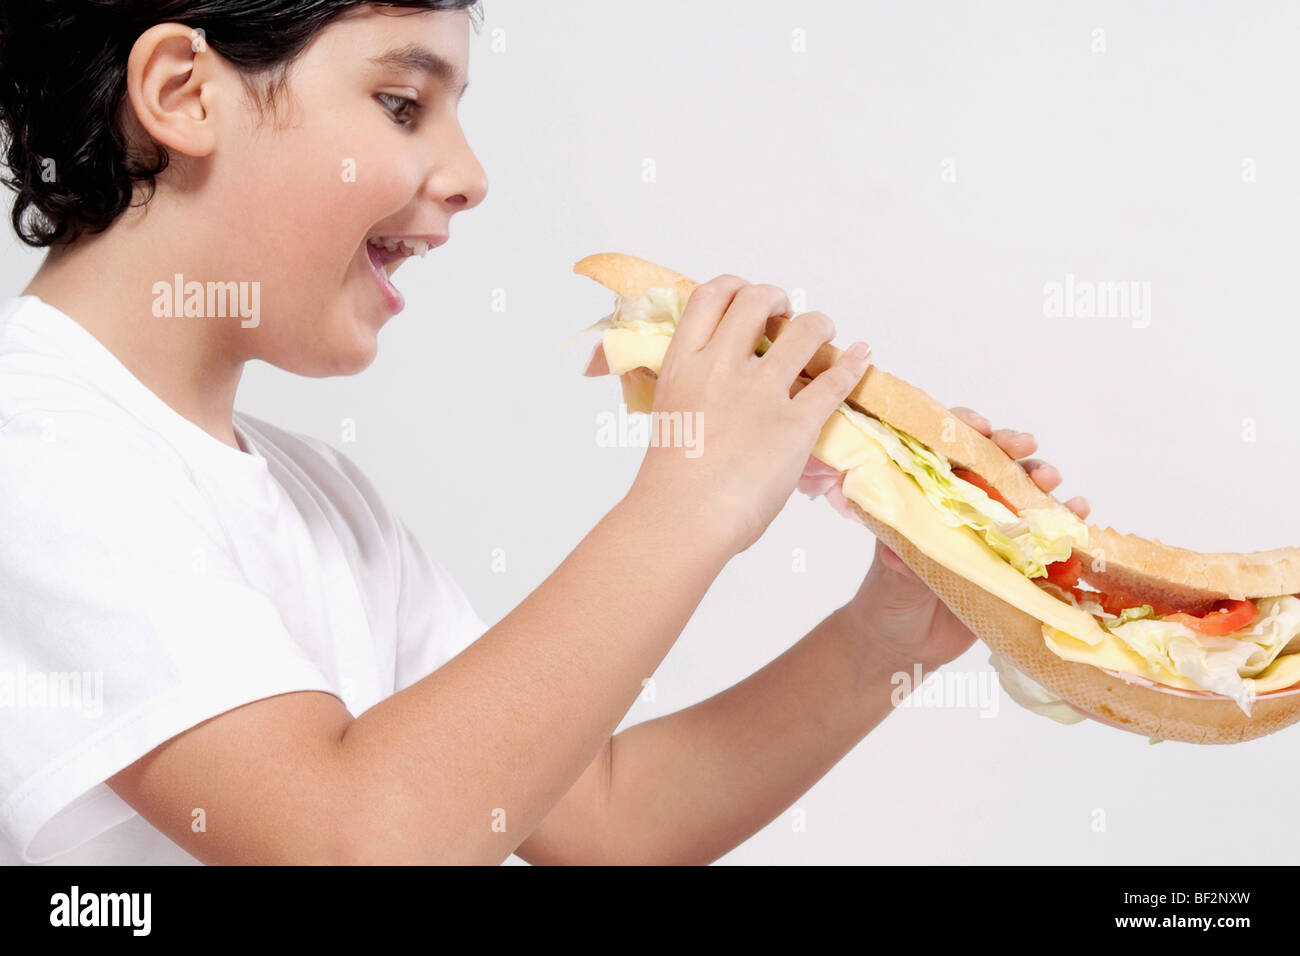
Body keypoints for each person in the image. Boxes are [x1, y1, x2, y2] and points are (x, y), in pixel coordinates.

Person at [0, 1, 1088, 864]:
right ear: (183, 93)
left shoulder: (322, 499)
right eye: (400, 101)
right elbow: (347, 845)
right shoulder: (31, 437)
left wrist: (884, 636)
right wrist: (690, 499)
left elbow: (604, 820)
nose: (470, 175)